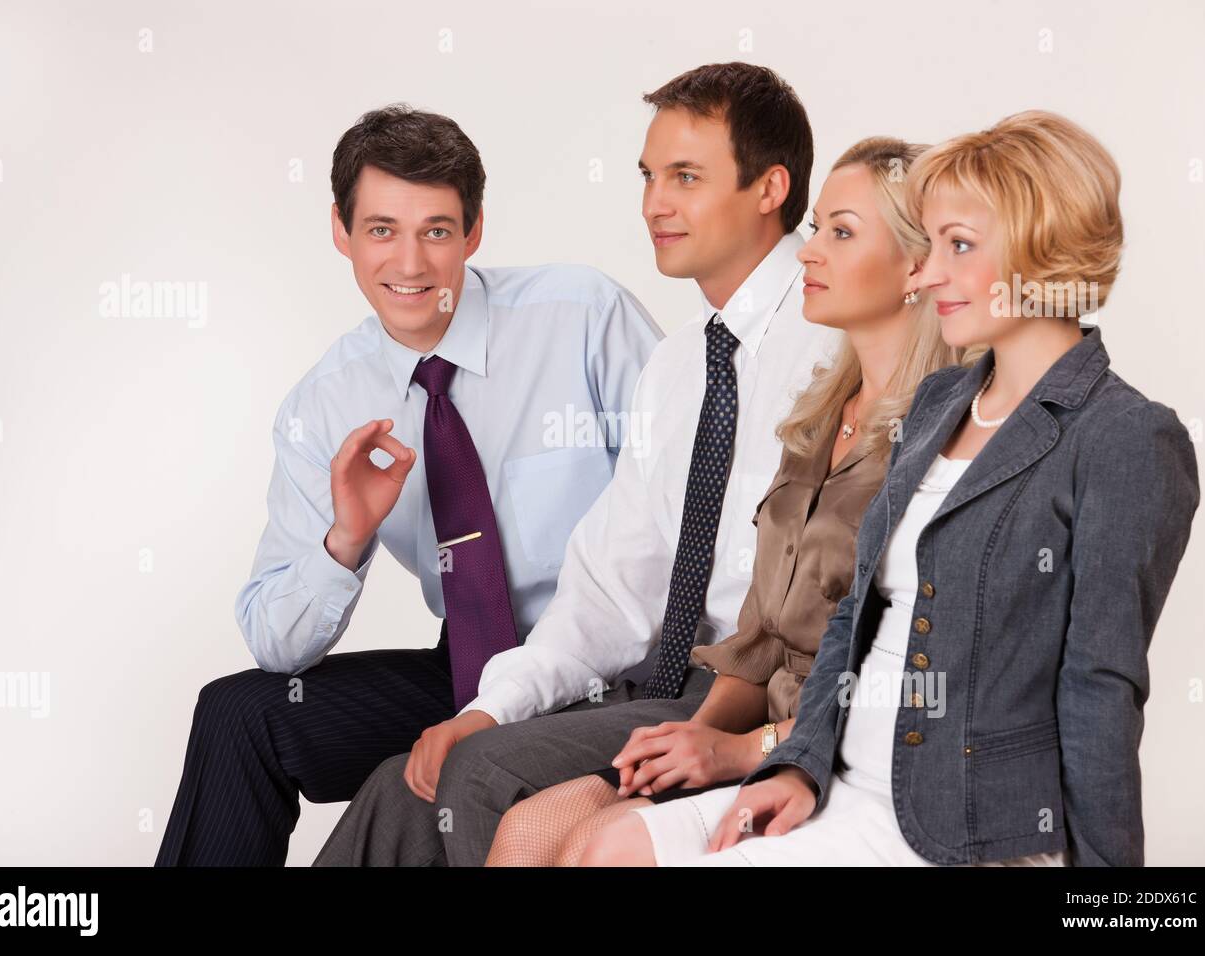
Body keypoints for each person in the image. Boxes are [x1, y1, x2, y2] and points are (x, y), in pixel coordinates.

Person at [579, 109, 1200, 867]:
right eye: (932, 243)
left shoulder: (1123, 436)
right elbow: (855, 619)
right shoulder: (941, 401)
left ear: (1044, 253)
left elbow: (1103, 686)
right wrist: (799, 763)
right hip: (841, 783)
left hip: (963, 825)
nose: (930, 270)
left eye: (960, 246)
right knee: (607, 849)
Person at [313, 62, 843, 867]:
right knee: (401, 787)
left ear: (770, 188)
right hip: (660, 679)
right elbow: (609, 581)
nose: (653, 204)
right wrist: (493, 707)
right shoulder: (678, 368)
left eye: (686, 177)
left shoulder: (836, 340)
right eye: (648, 176)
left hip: (750, 690)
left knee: (479, 776)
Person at [154, 104, 662, 866]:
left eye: (436, 231)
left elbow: (686, 500)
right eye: (381, 230)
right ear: (341, 231)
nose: (411, 265)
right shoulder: (325, 403)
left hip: (614, 666)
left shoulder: (581, 316)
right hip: (468, 668)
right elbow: (274, 639)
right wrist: (346, 539)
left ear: (475, 231)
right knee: (238, 715)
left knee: (416, 784)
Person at [485, 136, 970, 865]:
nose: (808, 253)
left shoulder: (941, 441)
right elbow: (762, 635)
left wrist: (741, 750)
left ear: (914, 266)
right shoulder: (817, 415)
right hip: (754, 722)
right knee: (526, 831)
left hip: (842, 750)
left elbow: (904, 669)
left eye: (841, 233)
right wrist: (699, 737)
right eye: (816, 232)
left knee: (598, 841)